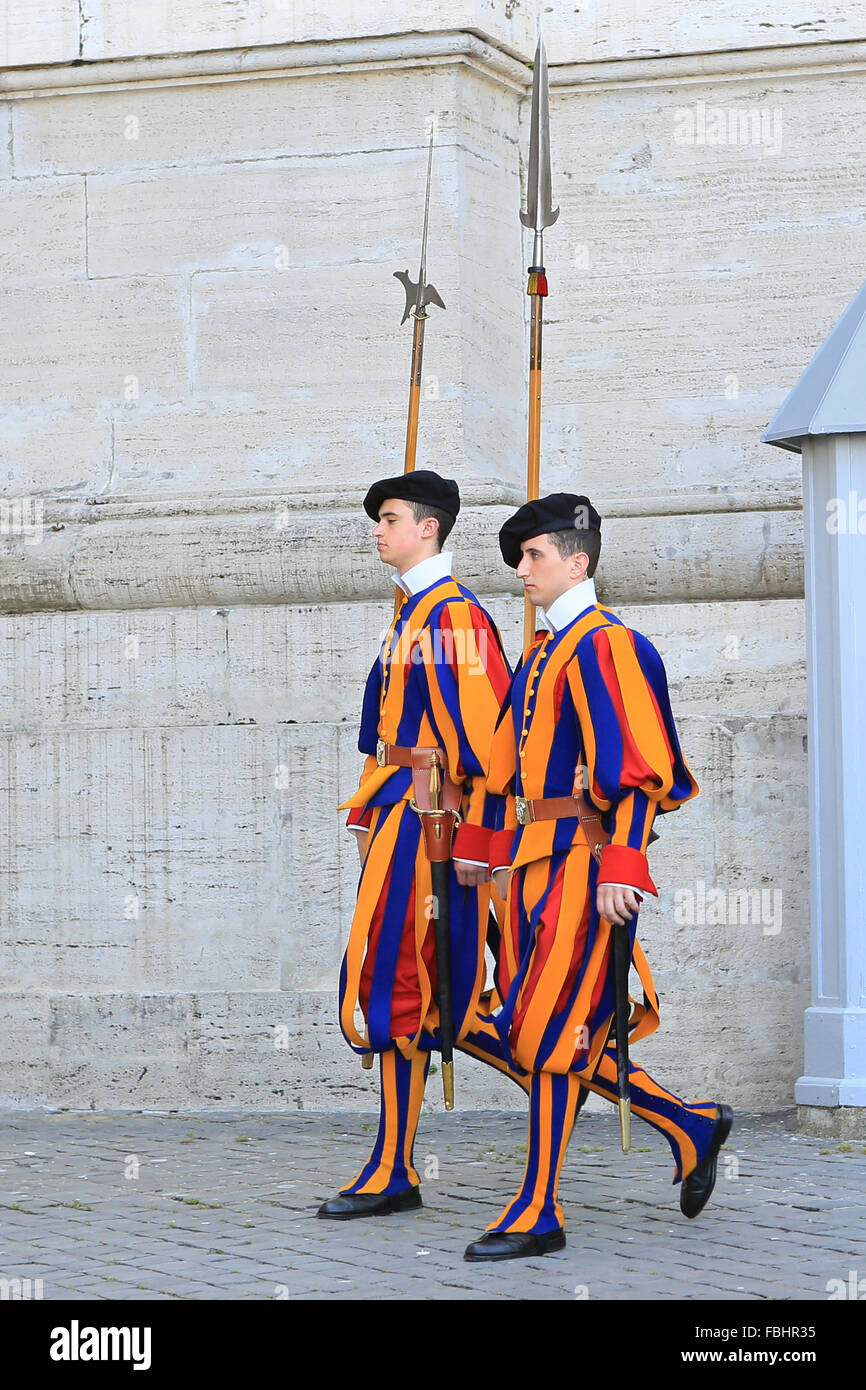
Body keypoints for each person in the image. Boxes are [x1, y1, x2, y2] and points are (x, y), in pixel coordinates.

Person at [462, 492, 733, 1262]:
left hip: (586, 865)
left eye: (534, 556)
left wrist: (624, 863)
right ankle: (690, 1124)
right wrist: (479, 851)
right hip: (529, 863)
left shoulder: (608, 644)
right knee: (542, 1028)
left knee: (548, 1031)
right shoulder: (544, 651)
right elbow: (501, 766)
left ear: (577, 562)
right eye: (519, 558)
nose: (522, 571)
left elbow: (644, 773)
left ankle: (538, 1208)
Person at [317, 470, 530, 1220]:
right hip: (404, 818)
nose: (378, 528)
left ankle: (678, 1120)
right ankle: (393, 1164)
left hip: (435, 826)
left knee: (413, 987)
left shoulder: (453, 619)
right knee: (398, 986)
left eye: (390, 517)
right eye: (377, 517)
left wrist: (476, 838)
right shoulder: (415, 612)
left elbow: (490, 750)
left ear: (429, 528)